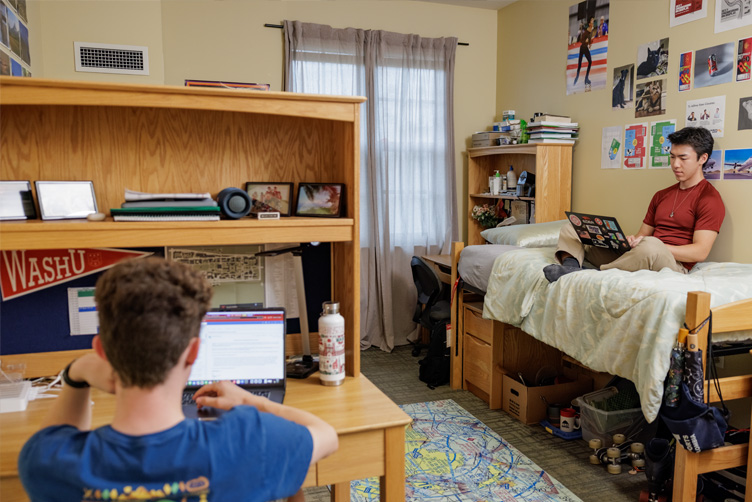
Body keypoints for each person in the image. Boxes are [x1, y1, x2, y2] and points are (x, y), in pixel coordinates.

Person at [18, 257, 338, 501]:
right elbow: (325, 435)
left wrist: (77, 375)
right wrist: (248, 400)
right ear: (193, 352)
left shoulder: (48, 460)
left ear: (102, 351)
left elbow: (59, 433)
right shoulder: (250, 440)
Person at [544, 127, 725, 283]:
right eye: (672, 157)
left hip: (672, 264)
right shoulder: (662, 195)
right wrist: (632, 241)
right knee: (572, 227)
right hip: (641, 254)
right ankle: (571, 267)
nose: (675, 164)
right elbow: (642, 236)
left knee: (651, 245)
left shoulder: (709, 199)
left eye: (683, 158)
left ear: (702, 158)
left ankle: (593, 276)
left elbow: (700, 252)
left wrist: (655, 245)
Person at [573, 17, 594, 87]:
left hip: (583, 48)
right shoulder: (587, 31)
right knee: (589, 62)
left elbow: (589, 38)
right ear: (589, 23)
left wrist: (590, 43)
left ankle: (577, 79)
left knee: (580, 64)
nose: (593, 22)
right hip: (583, 48)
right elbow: (581, 40)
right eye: (592, 21)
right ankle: (585, 79)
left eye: (593, 20)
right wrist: (585, 41)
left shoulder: (591, 29)